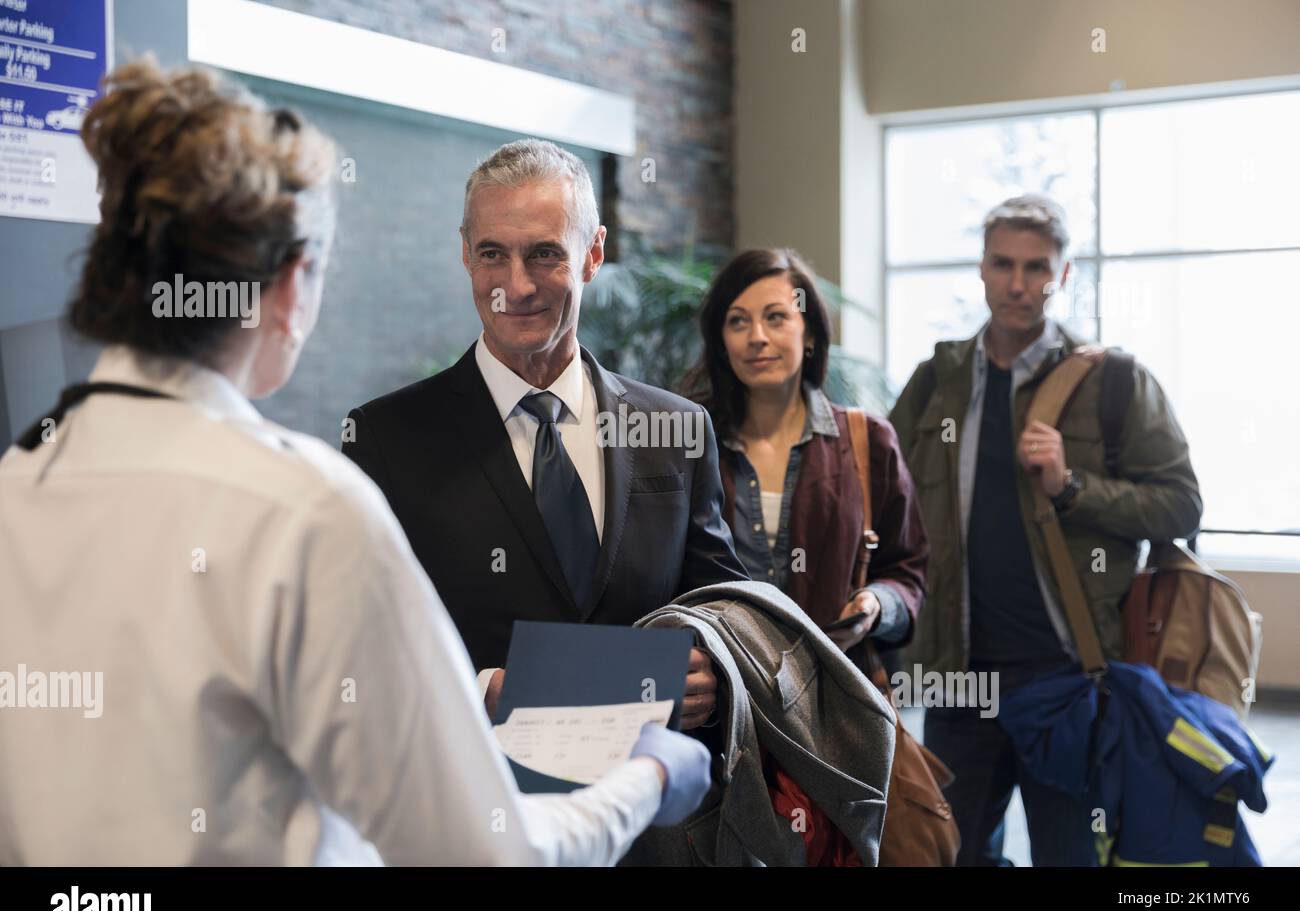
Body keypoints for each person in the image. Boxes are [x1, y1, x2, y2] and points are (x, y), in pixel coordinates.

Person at [0, 59, 709, 866]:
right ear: (293, 280)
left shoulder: (15, 494)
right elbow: (486, 855)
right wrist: (652, 776)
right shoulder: (306, 508)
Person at [342, 138, 749, 728]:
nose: (517, 285)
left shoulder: (676, 430)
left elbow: (724, 611)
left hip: (650, 802)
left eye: (543, 255)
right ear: (464, 253)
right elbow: (352, 643)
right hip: (478, 801)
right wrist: (478, 691)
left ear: (593, 254)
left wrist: (718, 675)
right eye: (492, 254)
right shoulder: (383, 439)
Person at [889, 194, 1203, 866]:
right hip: (958, 677)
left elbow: (1181, 505)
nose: (1017, 283)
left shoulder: (1114, 382)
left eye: (1036, 268)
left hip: (1068, 678)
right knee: (950, 855)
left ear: (1062, 277)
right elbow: (889, 504)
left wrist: (1072, 487)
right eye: (1003, 263)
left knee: (1071, 855)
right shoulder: (937, 384)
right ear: (980, 268)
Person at [682, 248, 928, 656]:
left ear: (809, 332)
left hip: (836, 690)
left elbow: (907, 569)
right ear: (722, 342)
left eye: (775, 317)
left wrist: (876, 605)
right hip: (723, 695)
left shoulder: (867, 440)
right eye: (738, 321)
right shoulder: (689, 443)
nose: (757, 337)